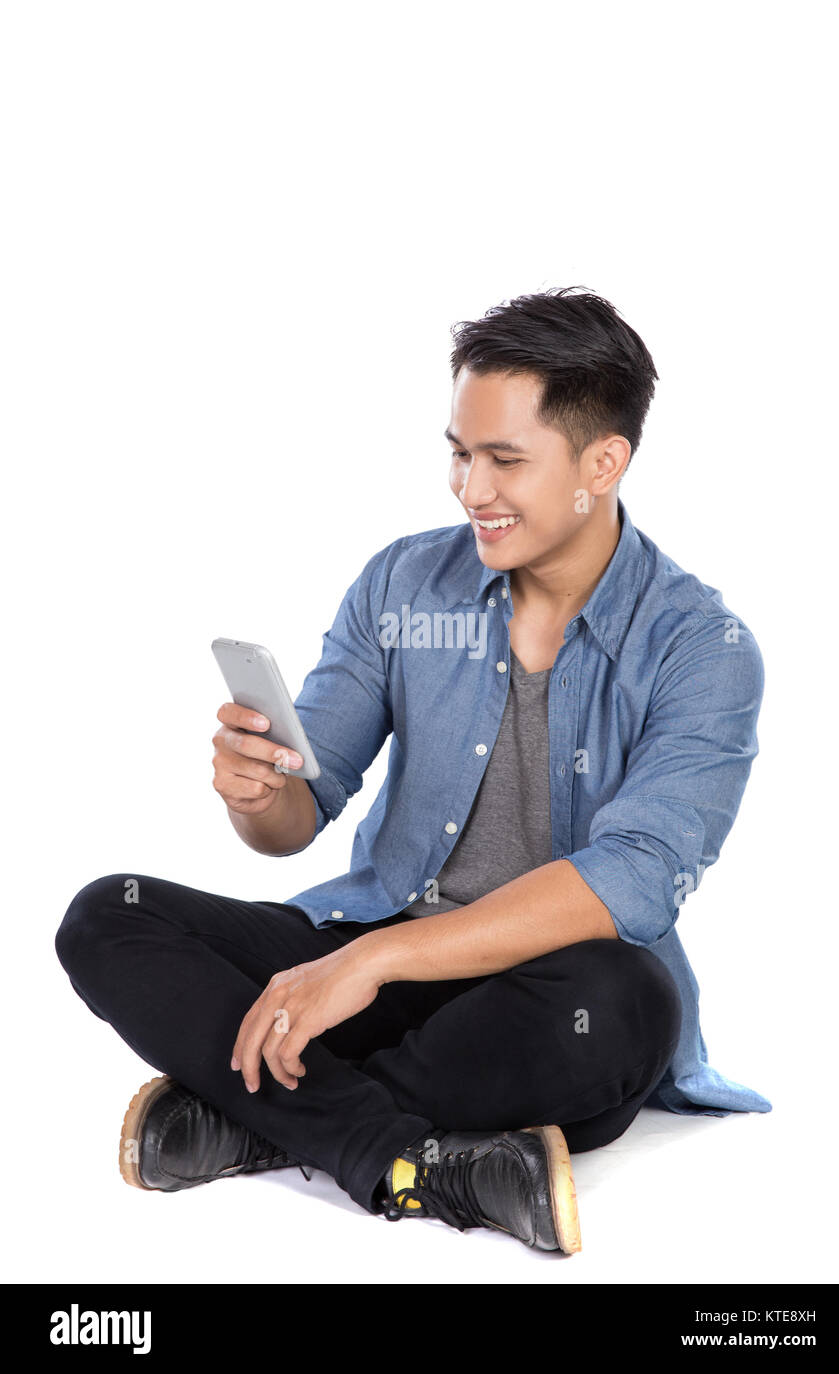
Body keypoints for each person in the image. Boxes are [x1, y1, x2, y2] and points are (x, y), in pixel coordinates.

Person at [55, 286, 769, 1256]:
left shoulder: (702, 646)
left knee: (623, 1005)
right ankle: (410, 1159)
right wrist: (261, 792)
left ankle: (253, 1117)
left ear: (600, 464)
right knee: (110, 912)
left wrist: (369, 963)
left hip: (528, 992)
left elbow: (635, 876)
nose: (468, 488)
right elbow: (299, 818)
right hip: (369, 949)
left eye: (503, 459)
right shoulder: (402, 583)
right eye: (458, 451)